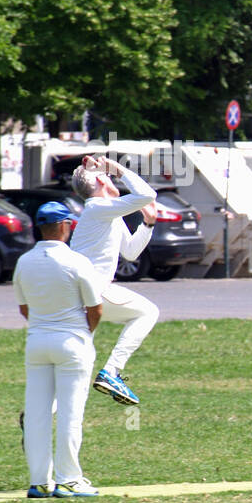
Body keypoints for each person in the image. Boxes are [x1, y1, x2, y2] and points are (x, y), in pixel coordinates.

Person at [13, 202, 104, 498]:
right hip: (71, 342)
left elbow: (25, 308)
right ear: (65, 226)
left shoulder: (24, 261)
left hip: (37, 342)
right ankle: (69, 478)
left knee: (38, 414)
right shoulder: (77, 262)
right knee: (70, 412)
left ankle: (39, 480)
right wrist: (81, 333)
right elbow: (96, 309)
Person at [68, 154, 158, 406]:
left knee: (80, 364)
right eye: (105, 176)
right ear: (98, 184)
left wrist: (147, 225)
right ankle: (112, 372)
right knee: (148, 312)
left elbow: (130, 251)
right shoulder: (98, 208)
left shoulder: (106, 213)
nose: (110, 178)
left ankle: (42, 413)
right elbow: (147, 195)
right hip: (93, 291)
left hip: (83, 296)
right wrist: (116, 168)